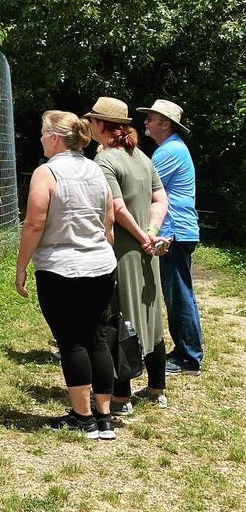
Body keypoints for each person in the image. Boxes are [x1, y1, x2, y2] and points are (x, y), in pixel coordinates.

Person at [15, 111, 118, 439]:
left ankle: (82, 417)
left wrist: (21, 267)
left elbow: (33, 224)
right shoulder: (95, 168)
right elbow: (109, 219)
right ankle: (105, 419)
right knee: (97, 338)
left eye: (44, 133)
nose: (41, 138)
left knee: (71, 341)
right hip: (101, 265)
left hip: (61, 269)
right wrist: (103, 251)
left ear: (56, 138)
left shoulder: (46, 173)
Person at [86, 97, 169, 415]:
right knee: (150, 317)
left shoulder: (105, 160)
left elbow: (116, 208)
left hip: (122, 253)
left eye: (92, 120)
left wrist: (140, 238)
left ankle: (120, 398)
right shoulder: (142, 157)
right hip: (148, 253)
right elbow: (161, 199)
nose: (89, 124)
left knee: (120, 319)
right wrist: (150, 231)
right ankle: (157, 388)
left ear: (101, 124)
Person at [137, 99, 203, 376]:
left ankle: (189, 357)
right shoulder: (173, 148)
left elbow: (143, 185)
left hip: (174, 231)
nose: (146, 123)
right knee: (178, 292)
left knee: (178, 294)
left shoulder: (169, 151)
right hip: (178, 230)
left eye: (151, 119)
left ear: (165, 124)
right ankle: (185, 351)